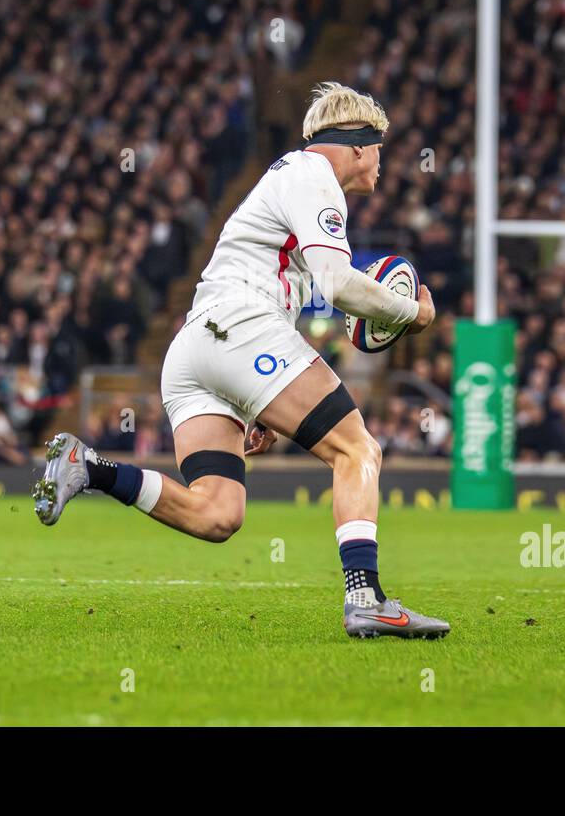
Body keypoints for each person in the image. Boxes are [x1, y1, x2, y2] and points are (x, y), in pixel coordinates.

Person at [33, 83, 448, 638]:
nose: (382, 161)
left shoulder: (288, 179)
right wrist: (411, 314)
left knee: (216, 513)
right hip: (242, 328)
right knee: (357, 449)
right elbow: (336, 281)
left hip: (196, 348)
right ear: (355, 144)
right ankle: (365, 597)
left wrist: (255, 405)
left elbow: (291, 283)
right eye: (379, 148)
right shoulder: (313, 176)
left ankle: (90, 468)